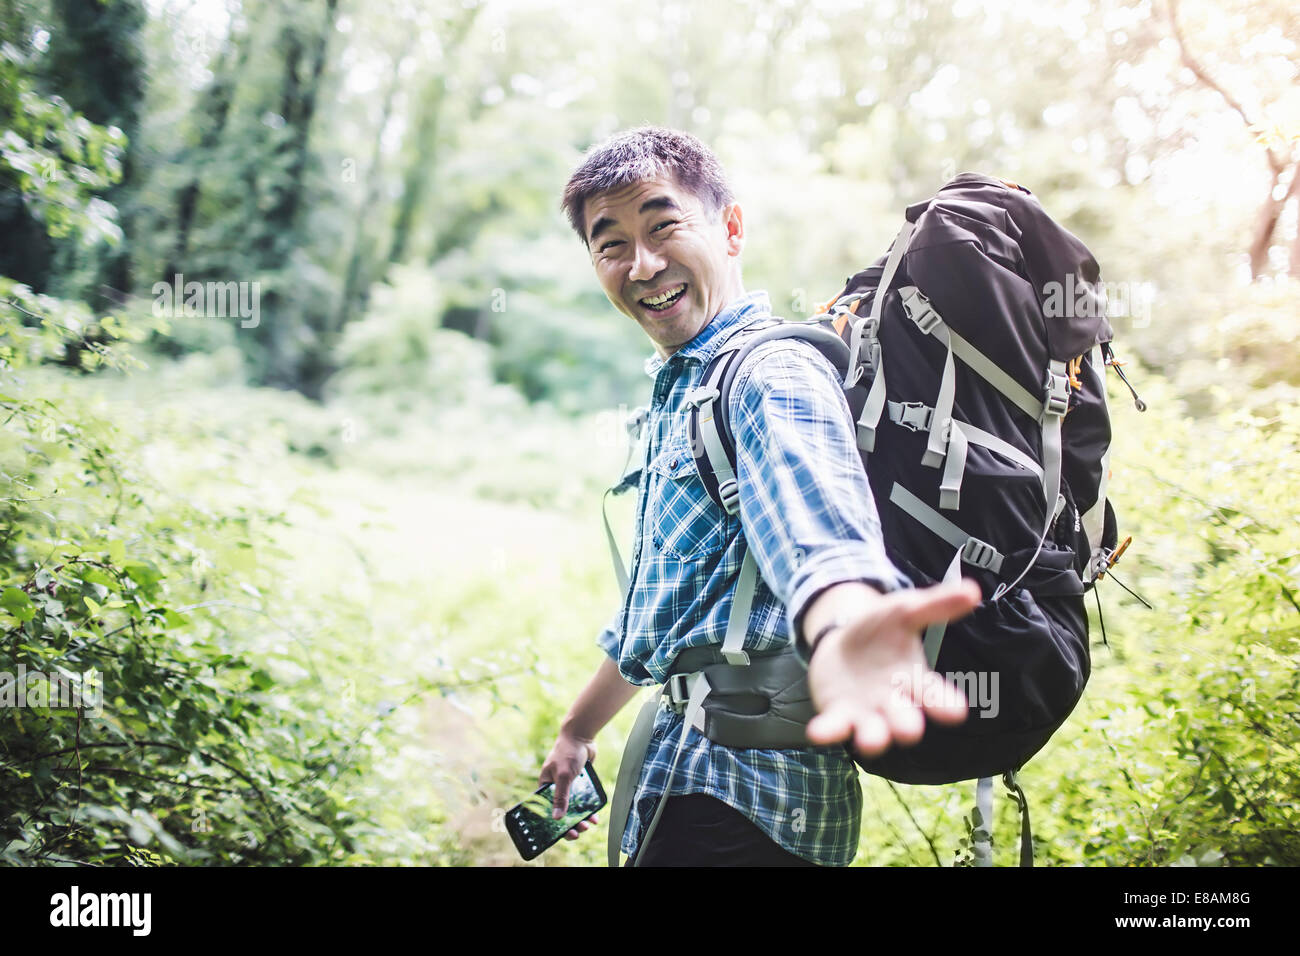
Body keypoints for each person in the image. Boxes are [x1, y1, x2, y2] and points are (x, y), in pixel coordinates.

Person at [539, 126, 981, 866]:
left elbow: (815, 526)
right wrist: (578, 731)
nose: (642, 265)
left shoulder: (773, 375)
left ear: (731, 227)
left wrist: (845, 619)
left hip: (752, 814)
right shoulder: (688, 390)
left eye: (663, 225)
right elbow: (663, 617)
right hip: (683, 779)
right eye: (610, 244)